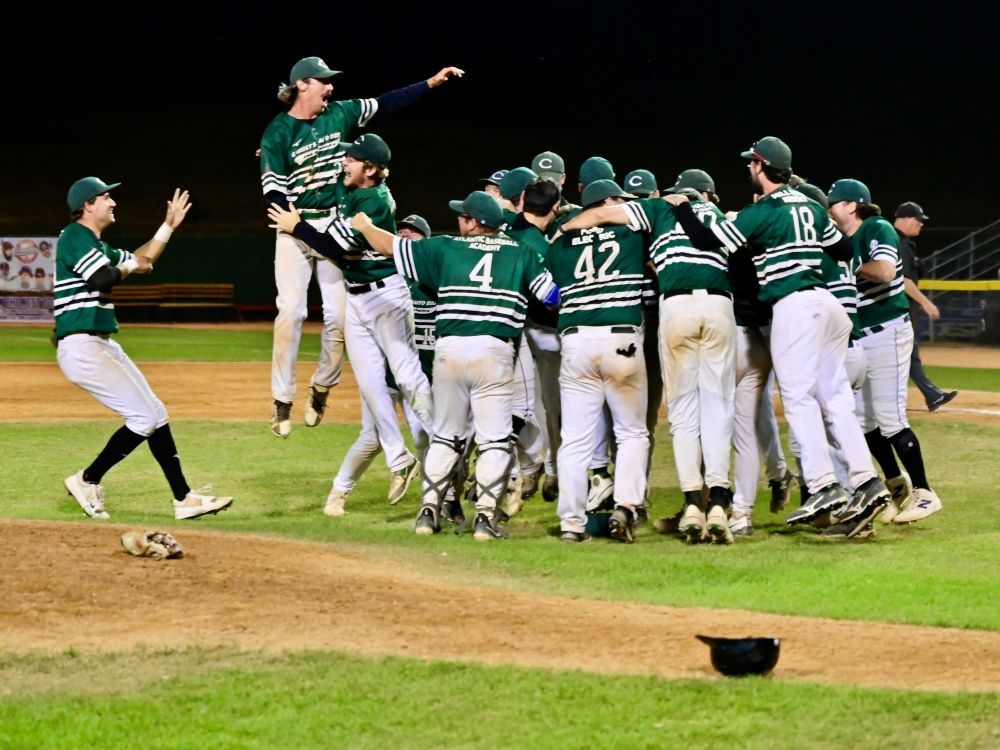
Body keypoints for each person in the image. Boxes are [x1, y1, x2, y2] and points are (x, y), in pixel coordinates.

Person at [666, 137, 890, 539]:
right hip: (830, 306)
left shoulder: (762, 211)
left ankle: (822, 485)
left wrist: (683, 209)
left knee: (799, 398)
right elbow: (840, 248)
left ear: (759, 166)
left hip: (795, 306)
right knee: (835, 398)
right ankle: (866, 480)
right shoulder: (812, 206)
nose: (748, 170)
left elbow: (706, 241)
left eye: (750, 164)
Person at [260, 55, 463, 438]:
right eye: (323, 80)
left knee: (338, 317)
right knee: (291, 310)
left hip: (331, 224)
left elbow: (386, 102)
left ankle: (321, 386)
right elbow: (272, 188)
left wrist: (430, 83)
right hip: (293, 224)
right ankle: (282, 399)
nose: (331, 86)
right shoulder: (277, 132)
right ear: (302, 84)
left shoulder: (341, 113)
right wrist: (288, 220)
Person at [350, 191, 558, 541]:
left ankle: (428, 513)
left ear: (474, 223)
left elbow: (388, 246)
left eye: (464, 216)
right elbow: (551, 298)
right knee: (494, 441)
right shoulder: (521, 252)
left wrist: (364, 224)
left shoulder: (445, 247)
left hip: (449, 350)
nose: (459, 220)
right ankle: (485, 520)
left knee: (445, 436)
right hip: (494, 351)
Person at [563, 178, 737, 544]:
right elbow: (734, 248)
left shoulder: (657, 209)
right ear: (705, 193)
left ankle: (692, 504)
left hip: (675, 306)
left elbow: (602, 215)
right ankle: (719, 502)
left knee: (683, 411)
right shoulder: (718, 212)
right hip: (720, 304)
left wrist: (566, 226)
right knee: (718, 408)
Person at [268, 133, 431, 505]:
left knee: (406, 375)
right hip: (358, 300)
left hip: (386, 296)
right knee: (372, 386)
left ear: (370, 169)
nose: (345, 162)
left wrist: (296, 226)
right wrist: (279, 154)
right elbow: (324, 176)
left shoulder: (373, 200)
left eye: (353, 159)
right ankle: (399, 459)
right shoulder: (352, 186)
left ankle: (442, 442)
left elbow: (332, 248)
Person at [56, 177, 233, 521]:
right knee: (142, 418)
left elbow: (143, 259)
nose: (113, 203)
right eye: (106, 197)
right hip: (82, 345)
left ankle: (183, 498)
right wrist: (128, 266)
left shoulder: (96, 245)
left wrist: (166, 228)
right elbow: (103, 279)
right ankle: (87, 479)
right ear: (88, 205)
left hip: (100, 343)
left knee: (155, 412)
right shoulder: (74, 236)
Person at [827, 180, 943, 525]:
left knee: (891, 418)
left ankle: (925, 492)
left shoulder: (876, 227)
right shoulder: (844, 239)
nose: (829, 210)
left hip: (888, 330)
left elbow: (885, 271)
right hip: (863, 335)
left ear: (851, 205)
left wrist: (848, 261)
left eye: (833, 204)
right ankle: (895, 484)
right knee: (863, 422)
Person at [547, 179, 651, 543]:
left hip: (575, 342)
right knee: (632, 432)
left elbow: (550, 295)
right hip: (622, 339)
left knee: (574, 440)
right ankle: (625, 506)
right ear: (608, 203)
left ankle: (571, 524)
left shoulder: (559, 242)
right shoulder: (633, 230)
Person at [894, 201, 958, 411]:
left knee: (908, 353)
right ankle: (929, 395)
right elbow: (903, 280)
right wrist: (926, 302)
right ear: (905, 219)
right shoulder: (898, 241)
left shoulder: (904, 243)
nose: (921, 224)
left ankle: (932, 395)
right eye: (918, 220)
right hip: (897, 308)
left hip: (903, 307)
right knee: (902, 353)